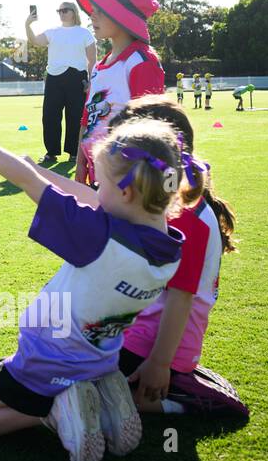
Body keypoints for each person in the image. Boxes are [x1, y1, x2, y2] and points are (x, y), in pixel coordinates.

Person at [0, 114, 185, 461]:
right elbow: (96, 202)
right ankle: (101, 397)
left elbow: (25, 182)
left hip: (48, 359)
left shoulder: (98, 238)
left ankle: (56, 411)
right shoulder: (169, 249)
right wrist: (44, 171)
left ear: (127, 192)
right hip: (99, 360)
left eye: (99, 184)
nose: (95, 192)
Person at [105, 96, 248, 419]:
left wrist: (159, 364)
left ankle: (178, 397)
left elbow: (181, 299)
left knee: (82, 384)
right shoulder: (170, 200)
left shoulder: (184, 214)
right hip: (143, 336)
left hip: (155, 347)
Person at [74, 0, 166, 187]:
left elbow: (151, 128)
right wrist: (81, 161)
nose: (92, 15)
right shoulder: (98, 67)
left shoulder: (141, 62)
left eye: (100, 9)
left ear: (121, 15)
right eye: (92, 9)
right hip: (98, 175)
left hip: (127, 180)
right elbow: (86, 118)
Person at [26, 2, 96, 167]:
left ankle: (74, 153)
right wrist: (27, 24)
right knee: (50, 116)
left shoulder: (84, 33)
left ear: (74, 12)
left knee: (75, 117)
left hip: (77, 78)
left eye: (65, 10)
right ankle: (51, 153)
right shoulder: (52, 32)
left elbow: (92, 61)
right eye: (59, 11)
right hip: (54, 78)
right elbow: (34, 40)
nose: (61, 13)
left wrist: (91, 82)